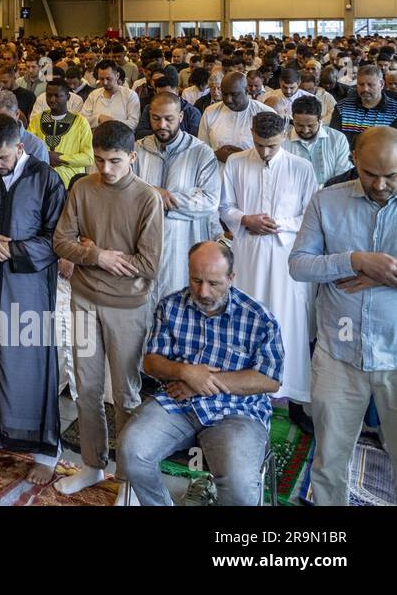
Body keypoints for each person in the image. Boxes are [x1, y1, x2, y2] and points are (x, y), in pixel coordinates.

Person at [117, 241, 284, 506]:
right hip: (178, 404)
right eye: (196, 280)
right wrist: (185, 371)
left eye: (214, 283)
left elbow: (270, 379)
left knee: (240, 487)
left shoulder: (258, 317)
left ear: (231, 278)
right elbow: (151, 362)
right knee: (131, 452)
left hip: (237, 412)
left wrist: (201, 382)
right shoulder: (171, 305)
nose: (203, 291)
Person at [54, 119, 164, 501]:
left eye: (115, 161)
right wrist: (97, 254)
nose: (106, 169)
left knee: (126, 395)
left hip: (128, 307)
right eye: (99, 160)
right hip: (84, 299)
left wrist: (97, 256)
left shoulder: (148, 198)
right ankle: (92, 463)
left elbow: (149, 265)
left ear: (132, 157)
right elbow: (61, 242)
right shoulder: (83, 188)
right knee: (86, 388)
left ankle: (129, 479)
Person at [289, 126, 397, 505]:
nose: (381, 184)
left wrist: (384, 277)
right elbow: (299, 266)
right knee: (330, 462)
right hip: (339, 353)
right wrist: (354, 260)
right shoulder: (326, 201)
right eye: (371, 174)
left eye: (391, 176)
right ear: (354, 161)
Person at [0, 114, 67, 484]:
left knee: (29, 359)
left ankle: (44, 451)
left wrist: (13, 249)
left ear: (19, 146)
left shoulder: (46, 179)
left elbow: (56, 237)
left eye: (3, 157)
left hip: (28, 284)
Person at [220, 111, 317, 424]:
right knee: (245, 322)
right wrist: (245, 219)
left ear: (285, 136)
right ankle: (242, 389)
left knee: (285, 323)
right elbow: (224, 206)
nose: (264, 152)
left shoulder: (301, 168)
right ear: (251, 133)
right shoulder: (235, 163)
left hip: (285, 258)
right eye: (259, 144)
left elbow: (311, 216)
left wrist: (281, 224)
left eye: (272, 146)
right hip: (247, 255)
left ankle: (287, 392)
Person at [134, 91, 221, 302]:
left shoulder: (201, 152)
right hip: (143, 244)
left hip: (185, 243)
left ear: (181, 118)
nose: (162, 125)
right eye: (156, 118)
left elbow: (209, 201)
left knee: (180, 304)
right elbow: (127, 193)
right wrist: (154, 194)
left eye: (169, 119)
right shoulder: (138, 149)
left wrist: (167, 198)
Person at [28, 79, 92, 189]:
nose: (52, 100)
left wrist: (61, 158)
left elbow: (88, 158)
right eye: (49, 95)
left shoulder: (80, 122)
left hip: (70, 184)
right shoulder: (37, 119)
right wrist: (45, 155)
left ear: (68, 97)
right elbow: (27, 148)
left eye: (57, 96)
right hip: (42, 183)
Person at [199, 72, 273, 162]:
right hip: (218, 172)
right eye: (225, 94)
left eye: (234, 94)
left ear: (246, 90)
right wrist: (216, 155)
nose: (228, 100)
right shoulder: (210, 112)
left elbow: (274, 154)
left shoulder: (265, 113)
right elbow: (201, 149)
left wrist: (245, 156)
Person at [284, 94, 350, 185]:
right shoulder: (282, 140)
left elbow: (343, 175)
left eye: (311, 125)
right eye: (299, 125)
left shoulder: (338, 139)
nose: (305, 131)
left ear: (320, 120)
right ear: (293, 119)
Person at [330, 63, 397, 147]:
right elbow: (334, 139)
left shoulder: (394, 111)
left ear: (382, 84)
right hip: (345, 158)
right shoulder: (342, 107)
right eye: (361, 84)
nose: (365, 89)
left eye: (370, 84)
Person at [82, 60, 140, 129]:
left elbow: (133, 123)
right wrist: (98, 118)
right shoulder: (94, 95)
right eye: (101, 79)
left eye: (108, 78)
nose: (105, 82)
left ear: (117, 76)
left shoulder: (130, 95)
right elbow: (82, 119)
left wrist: (111, 122)